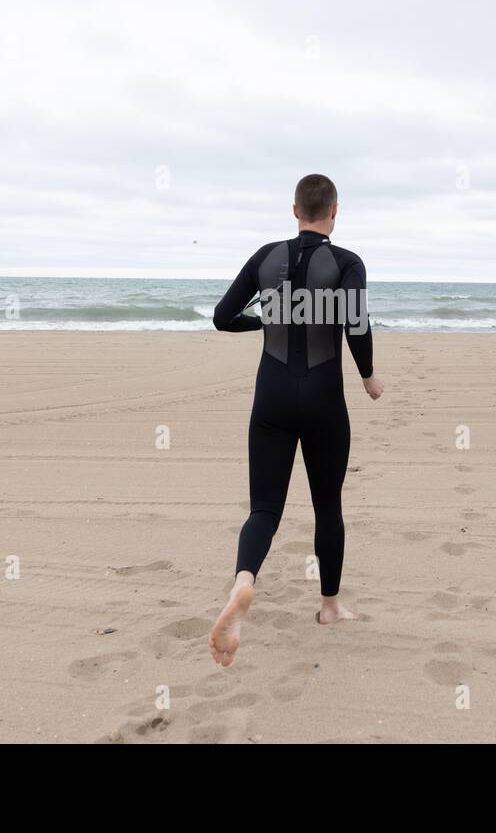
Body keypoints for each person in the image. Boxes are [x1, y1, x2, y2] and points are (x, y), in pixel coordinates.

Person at [207, 174, 384, 666]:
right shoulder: (347, 262)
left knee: (264, 508)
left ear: (294, 211)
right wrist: (369, 376)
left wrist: (263, 319)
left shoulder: (266, 256)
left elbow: (223, 316)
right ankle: (329, 607)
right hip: (324, 401)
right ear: (334, 211)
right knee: (328, 507)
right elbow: (356, 323)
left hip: (273, 399)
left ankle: (244, 582)